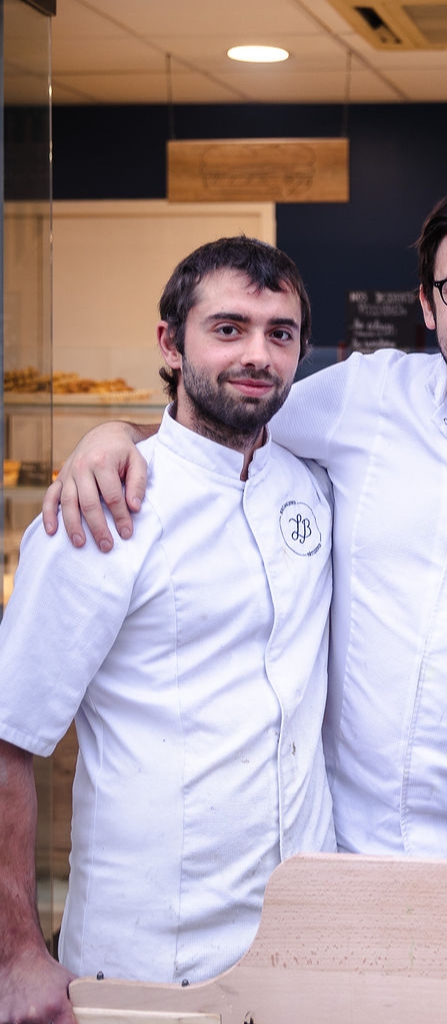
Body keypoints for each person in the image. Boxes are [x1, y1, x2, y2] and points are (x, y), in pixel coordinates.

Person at [40, 184, 447, 862]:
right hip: (340, 853)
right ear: (428, 306)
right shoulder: (365, 395)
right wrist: (114, 434)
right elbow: (225, 421)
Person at [0, 237, 335, 1023]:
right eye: (228, 328)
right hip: (149, 959)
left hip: (303, 953)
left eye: (280, 333)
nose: (257, 355)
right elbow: (8, 738)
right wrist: (15, 955)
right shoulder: (100, 509)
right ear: (170, 344)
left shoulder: (311, 486)